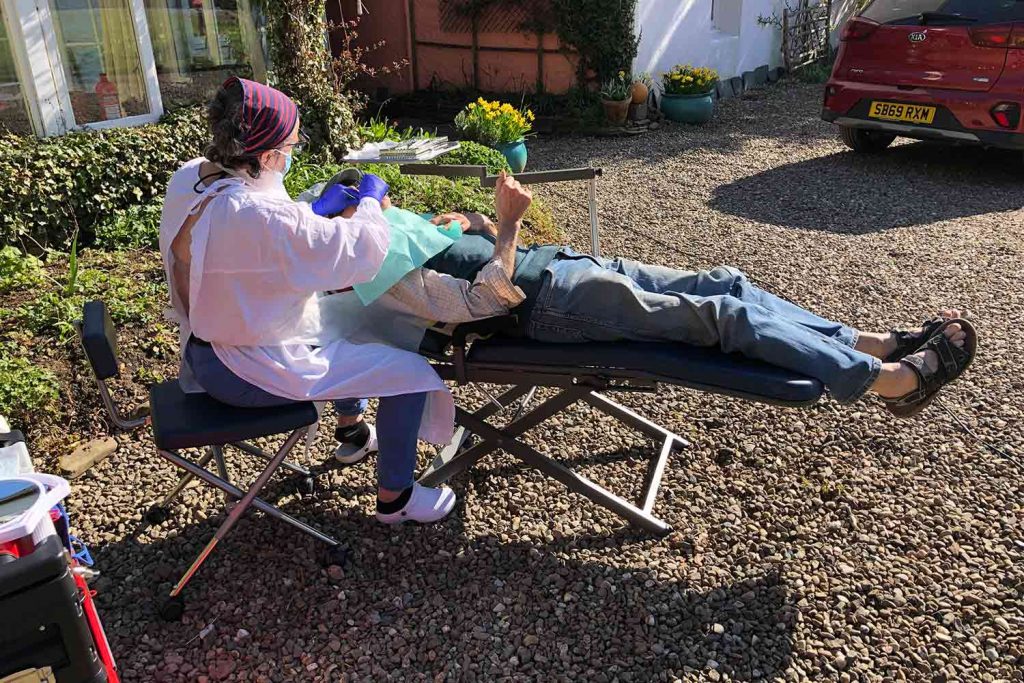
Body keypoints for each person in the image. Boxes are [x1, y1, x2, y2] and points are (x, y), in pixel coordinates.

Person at [158, 77, 532, 525]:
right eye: (290, 145)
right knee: (410, 372)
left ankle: (352, 433)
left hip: (208, 348)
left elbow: (255, 241)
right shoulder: (261, 216)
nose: (292, 153)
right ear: (267, 154)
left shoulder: (194, 177)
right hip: (244, 369)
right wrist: (370, 202)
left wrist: (314, 211)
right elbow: (361, 252)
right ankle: (396, 498)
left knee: (348, 318)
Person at [321, 176, 977, 418]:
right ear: (348, 227)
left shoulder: (394, 237)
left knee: (727, 282)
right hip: (552, 305)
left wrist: (475, 225)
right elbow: (488, 299)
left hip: (570, 268)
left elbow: (479, 257)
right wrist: (510, 225)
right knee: (721, 317)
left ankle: (870, 343)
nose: (382, 202)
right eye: (367, 202)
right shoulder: (381, 272)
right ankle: (889, 382)